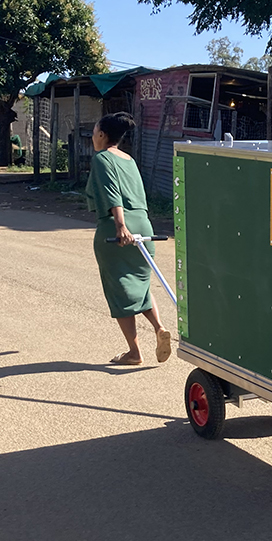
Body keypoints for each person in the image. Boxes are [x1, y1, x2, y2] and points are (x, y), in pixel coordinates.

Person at [86, 112, 171, 365]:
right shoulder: (129, 160)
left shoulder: (102, 159)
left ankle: (134, 353)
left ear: (102, 135)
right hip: (144, 225)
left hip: (116, 226)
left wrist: (120, 225)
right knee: (140, 286)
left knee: (119, 289)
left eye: (94, 132)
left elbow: (112, 192)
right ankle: (159, 328)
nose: (92, 136)